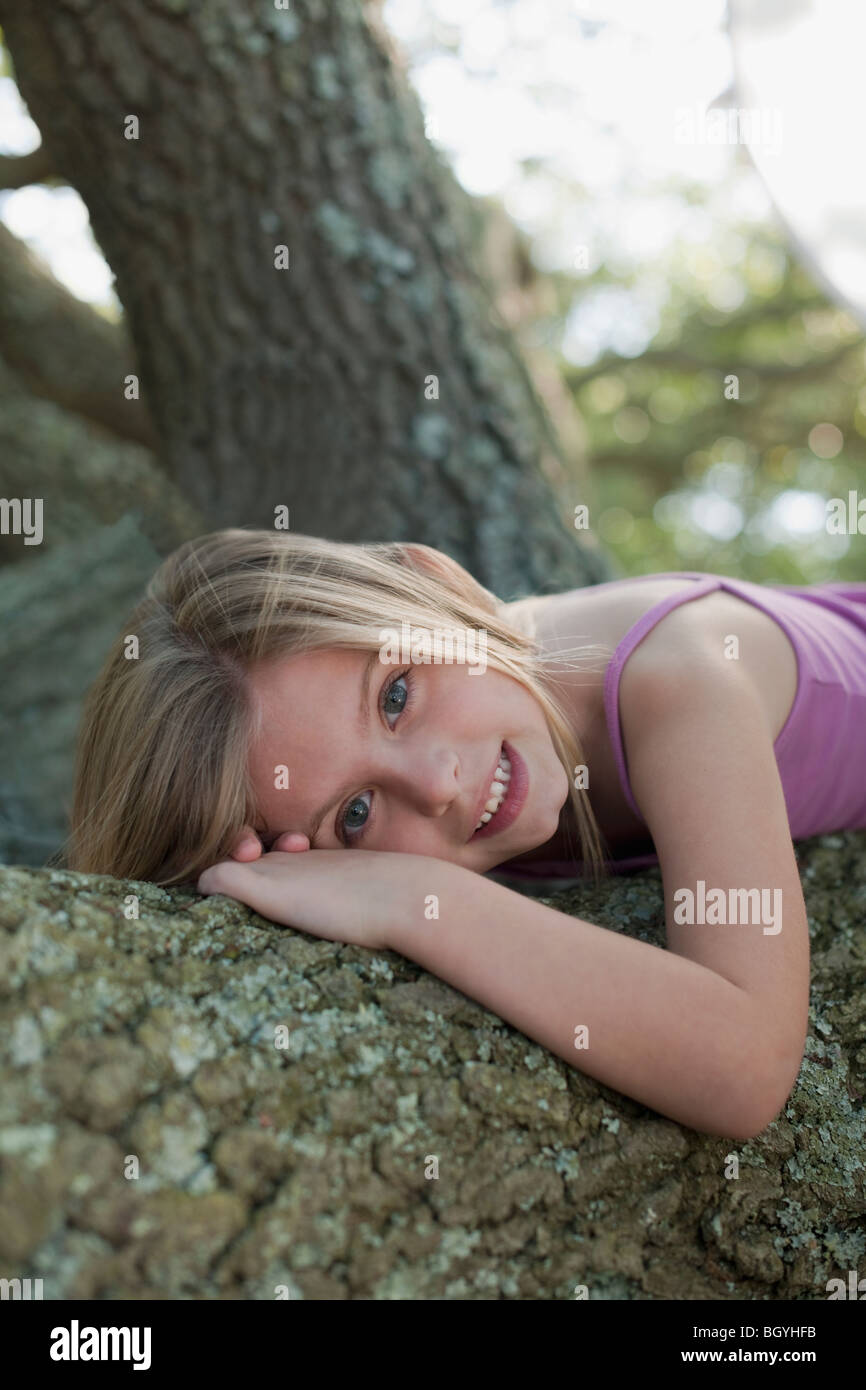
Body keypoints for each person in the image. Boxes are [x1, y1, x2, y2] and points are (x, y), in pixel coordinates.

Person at [64, 528, 866, 1139]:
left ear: (436, 583)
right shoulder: (492, 722)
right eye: (354, 814)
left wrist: (415, 897)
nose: (438, 783)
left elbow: (745, 1063)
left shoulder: (678, 679)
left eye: (396, 695)